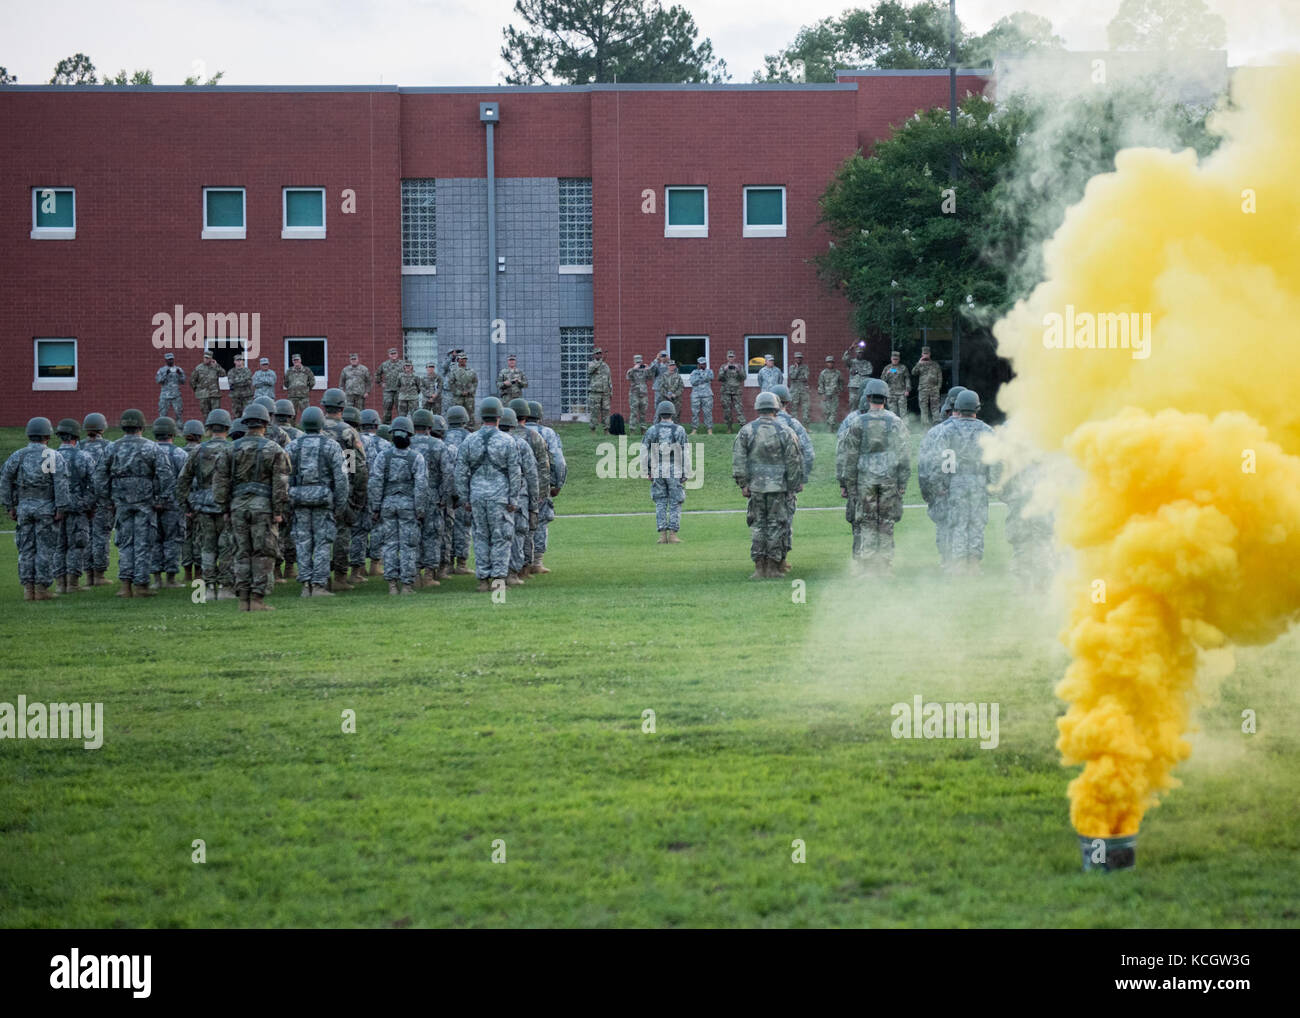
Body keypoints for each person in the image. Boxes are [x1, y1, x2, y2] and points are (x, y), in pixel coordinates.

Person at [215, 403, 290, 611]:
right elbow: (280, 484)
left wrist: (225, 508)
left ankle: (243, 599)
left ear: (245, 423)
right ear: (266, 423)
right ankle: (257, 599)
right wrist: (278, 511)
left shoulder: (231, 449)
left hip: (237, 507)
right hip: (264, 507)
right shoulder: (274, 449)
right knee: (263, 552)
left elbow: (220, 482)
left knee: (241, 552)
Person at [95, 409, 175, 598]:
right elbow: (165, 475)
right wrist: (161, 499)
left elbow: (99, 476)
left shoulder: (111, 447)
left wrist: (107, 499)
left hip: (121, 502)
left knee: (124, 542)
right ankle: (141, 585)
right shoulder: (152, 447)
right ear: (141, 426)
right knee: (143, 543)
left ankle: (125, 585)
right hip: (145, 502)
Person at [837, 378, 910, 572]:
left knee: (867, 523)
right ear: (886, 399)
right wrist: (902, 482)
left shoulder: (858, 422)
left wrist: (849, 485)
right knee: (886, 523)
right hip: (889, 479)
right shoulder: (896, 422)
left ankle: (868, 567)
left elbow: (849, 458)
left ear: (867, 397)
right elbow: (904, 455)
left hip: (865, 481)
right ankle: (884, 566)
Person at [732, 392, 803, 579]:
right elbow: (794, 461)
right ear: (776, 408)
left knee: (758, 526)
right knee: (776, 526)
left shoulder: (746, 431)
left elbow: (739, 460)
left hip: (756, 486)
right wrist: (794, 485)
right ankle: (773, 567)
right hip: (779, 487)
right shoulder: (786, 431)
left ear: (758, 408)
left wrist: (743, 484)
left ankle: (759, 568)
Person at [454, 397, 521, 592]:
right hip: (500, 496)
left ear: (481, 416)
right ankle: (498, 581)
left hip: (477, 495)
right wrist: (513, 498)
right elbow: (514, 472)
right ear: (499, 416)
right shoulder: (508, 440)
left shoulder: (469, 439)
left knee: (481, 537)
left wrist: (465, 497)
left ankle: (482, 580)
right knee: (501, 538)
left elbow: (460, 471)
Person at [2, 417, 71, 601]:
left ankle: (28, 589)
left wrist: (9, 505)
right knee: (45, 549)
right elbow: (60, 483)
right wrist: (61, 507)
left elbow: (5, 479)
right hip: (46, 507)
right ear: (47, 435)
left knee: (26, 548)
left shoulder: (18, 455)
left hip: (24, 507)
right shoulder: (53, 456)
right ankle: (42, 588)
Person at [285, 406, 348, 597]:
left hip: (299, 499)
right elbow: (342, 478)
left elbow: (285, 476)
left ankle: (306, 585)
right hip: (324, 500)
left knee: (303, 541)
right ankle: (319, 585)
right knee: (322, 542)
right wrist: (340, 504)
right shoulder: (332, 446)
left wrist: (288, 500)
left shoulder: (293, 446)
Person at [934, 389, 997, 573]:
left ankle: (959, 564)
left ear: (958, 407)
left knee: (958, 522)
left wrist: (941, 484)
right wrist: (992, 483)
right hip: (979, 482)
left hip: (956, 482)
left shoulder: (947, 430)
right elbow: (995, 460)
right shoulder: (987, 431)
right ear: (977, 407)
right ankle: (974, 564)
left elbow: (938, 460)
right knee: (976, 523)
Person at [177, 409, 236, 601]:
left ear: (209, 428)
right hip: (226, 506)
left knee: (207, 548)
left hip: (202, 507)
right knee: (227, 547)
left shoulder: (197, 450)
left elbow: (183, 481)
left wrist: (187, 506)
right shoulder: (233, 449)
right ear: (227, 428)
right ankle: (226, 588)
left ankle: (207, 589)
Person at [368, 415, 429, 595]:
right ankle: (407, 585)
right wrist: (420, 509)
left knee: (390, 545)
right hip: (409, 505)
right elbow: (421, 486)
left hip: (387, 504)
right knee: (408, 545)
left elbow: (375, 483)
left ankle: (392, 585)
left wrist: (376, 507)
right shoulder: (416, 458)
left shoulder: (382, 457)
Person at [320, 388, 368, 591]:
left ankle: (320, 579)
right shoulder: (347, 432)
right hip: (342, 488)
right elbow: (355, 465)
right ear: (342, 407)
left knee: (319, 536)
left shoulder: (315, 429)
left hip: (318, 488)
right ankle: (340, 577)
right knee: (342, 533)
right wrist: (358, 495)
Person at [918, 386, 966, 568]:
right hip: (965, 488)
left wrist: (927, 492)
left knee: (944, 526)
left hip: (941, 489)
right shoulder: (975, 430)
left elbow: (924, 465)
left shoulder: (935, 432)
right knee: (965, 524)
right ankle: (965, 562)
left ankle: (947, 561)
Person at [772, 385, 815, 573]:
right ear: (787, 402)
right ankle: (781, 560)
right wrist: (801, 478)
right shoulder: (793, 424)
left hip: (762, 481)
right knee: (784, 521)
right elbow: (809, 453)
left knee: (763, 521)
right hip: (787, 481)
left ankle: (764, 561)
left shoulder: (757, 424)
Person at [410, 409, 454, 588]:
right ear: (430, 425)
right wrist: (445, 496)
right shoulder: (438, 445)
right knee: (433, 536)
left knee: (411, 536)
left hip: (410, 497)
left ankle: (413, 574)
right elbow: (448, 474)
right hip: (434, 497)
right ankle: (429, 574)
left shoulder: (407, 444)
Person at [497, 407, 538, 586]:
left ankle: (492, 576)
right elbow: (531, 474)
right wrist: (534, 503)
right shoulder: (520, 444)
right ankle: (513, 574)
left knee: (496, 535)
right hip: (519, 497)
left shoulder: (487, 442)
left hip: (495, 496)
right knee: (517, 535)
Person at [508, 399, 549, 576]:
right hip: (524, 492)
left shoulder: (503, 437)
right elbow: (542, 467)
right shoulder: (533, 437)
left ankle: (502, 571)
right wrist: (542, 493)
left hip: (501, 493)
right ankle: (524, 567)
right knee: (525, 529)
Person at [54, 418, 96, 594]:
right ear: (76, 436)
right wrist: (90, 506)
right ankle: (73, 584)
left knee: (58, 546)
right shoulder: (83, 456)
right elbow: (94, 484)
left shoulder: (50, 456)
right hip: (78, 508)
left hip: (56, 510)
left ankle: (59, 584)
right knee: (76, 545)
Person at [150, 417, 190, 590]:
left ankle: (156, 578)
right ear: (172, 433)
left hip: (150, 504)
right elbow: (186, 481)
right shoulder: (180, 454)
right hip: (174, 505)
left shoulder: (148, 451)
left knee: (154, 540)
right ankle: (171, 578)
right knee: (173, 540)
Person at [526, 400, 565, 575]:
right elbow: (558, 460)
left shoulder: (513, 432)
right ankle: (536, 561)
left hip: (516, 486)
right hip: (541, 485)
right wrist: (557, 483)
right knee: (540, 522)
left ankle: (520, 562)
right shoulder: (547, 433)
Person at [643, 401, 688, 543]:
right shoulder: (679, 430)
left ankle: (662, 535)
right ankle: (673, 535)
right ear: (672, 413)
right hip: (674, 469)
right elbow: (685, 452)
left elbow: (644, 450)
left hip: (657, 469)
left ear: (659, 414)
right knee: (676, 501)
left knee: (660, 502)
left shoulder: (652, 430)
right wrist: (685, 472)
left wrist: (646, 470)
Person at [80, 412, 114, 587]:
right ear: (103, 427)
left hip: (84, 500)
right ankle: (99, 575)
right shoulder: (109, 447)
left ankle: (88, 575)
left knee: (86, 536)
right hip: (103, 500)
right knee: (101, 536)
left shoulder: (79, 447)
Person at [443, 404, 474, 575]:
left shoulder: (443, 437)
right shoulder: (470, 438)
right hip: (465, 487)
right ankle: (461, 564)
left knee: (447, 527)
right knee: (463, 526)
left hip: (446, 487)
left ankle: (446, 563)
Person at [179, 419, 206, 583]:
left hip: (186, 501)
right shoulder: (205, 452)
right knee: (201, 537)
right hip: (202, 501)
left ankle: (187, 572)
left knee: (186, 537)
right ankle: (199, 572)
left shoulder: (179, 452)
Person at [911, 346, 944, 425]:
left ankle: (936, 423)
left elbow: (940, 376)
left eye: (927, 353)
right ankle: (924, 425)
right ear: (922, 354)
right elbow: (913, 373)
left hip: (934, 389)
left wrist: (938, 387)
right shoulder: (920, 364)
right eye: (924, 353)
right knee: (923, 407)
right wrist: (919, 363)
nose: (925, 355)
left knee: (935, 407)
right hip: (923, 389)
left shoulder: (935, 364)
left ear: (930, 354)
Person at [190, 349, 226, 418]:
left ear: (211, 359)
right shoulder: (199, 368)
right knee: (205, 414)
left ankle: (215, 428)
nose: (206, 359)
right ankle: (207, 428)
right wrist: (197, 390)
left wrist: (216, 366)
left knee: (216, 414)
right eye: (205, 358)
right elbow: (192, 381)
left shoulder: (215, 367)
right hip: (203, 395)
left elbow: (223, 374)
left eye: (208, 358)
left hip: (214, 395)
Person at [447, 353, 479, 428]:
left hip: (469, 398)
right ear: (458, 360)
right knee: (458, 413)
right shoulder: (454, 371)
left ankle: (470, 429)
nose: (462, 360)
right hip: (458, 398)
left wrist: (469, 391)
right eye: (461, 359)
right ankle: (458, 428)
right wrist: (460, 392)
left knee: (470, 414)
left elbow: (475, 382)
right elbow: (451, 384)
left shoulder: (471, 371)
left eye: (464, 359)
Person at [717, 350, 746, 432]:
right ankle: (729, 427)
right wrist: (724, 370)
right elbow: (719, 378)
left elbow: (743, 378)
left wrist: (739, 371)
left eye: (732, 357)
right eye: (729, 357)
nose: (731, 358)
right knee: (727, 410)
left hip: (737, 391)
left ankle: (743, 426)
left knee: (739, 409)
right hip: (726, 391)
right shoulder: (723, 367)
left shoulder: (739, 366)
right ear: (727, 357)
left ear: (735, 357)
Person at [375, 347, 405, 423]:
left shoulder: (403, 364)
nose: (393, 355)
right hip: (388, 391)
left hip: (399, 390)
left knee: (401, 410)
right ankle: (386, 426)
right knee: (387, 410)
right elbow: (377, 374)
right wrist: (381, 383)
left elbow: (410, 373)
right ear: (389, 355)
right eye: (392, 354)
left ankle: (401, 425)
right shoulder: (384, 364)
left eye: (395, 353)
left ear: (397, 354)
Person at [586, 347, 612, 432]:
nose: (599, 355)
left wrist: (611, 391)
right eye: (597, 353)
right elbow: (590, 371)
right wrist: (600, 362)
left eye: (600, 353)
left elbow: (609, 379)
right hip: (595, 393)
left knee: (606, 411)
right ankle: (593, 429)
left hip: (605, 393)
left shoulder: (605, 366)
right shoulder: (591, 364)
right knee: (594, 412)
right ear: (594, 355)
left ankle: (606, 430)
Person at [687, 356, 714, 435]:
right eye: (701, 364)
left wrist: (700, 377)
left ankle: (709, 430)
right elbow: (693, 382)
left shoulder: (709, 371)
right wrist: (702, 378)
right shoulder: (694, 372)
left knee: (708, 413)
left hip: (707, 395)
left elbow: (710, 377)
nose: (702, 365)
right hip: (696, 395)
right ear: (698, 364)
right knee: (695, 413)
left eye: (704, 364)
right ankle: (694, 429)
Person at [626, 354, 651, 433]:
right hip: (634, 394)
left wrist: (648, 369)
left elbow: (650, 378)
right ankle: (632, 430)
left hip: (643, 394)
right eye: (637, 362)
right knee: (634, 413)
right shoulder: (631, 371)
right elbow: (628, 377)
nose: (639, 364)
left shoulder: (644, 370)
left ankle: (643, 429)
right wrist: (634, 369)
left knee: (643, 413)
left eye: (640, 362)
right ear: (634, 362)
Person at [156, 353, 186, 419]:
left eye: (172, 359)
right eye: (169, 359)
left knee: (178, 414)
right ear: (166, 360)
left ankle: (179, 428)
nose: (171, 361)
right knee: (162, 414)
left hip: (176, 395)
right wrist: (166, 374)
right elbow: (159, 381)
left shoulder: (179, 369)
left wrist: (180, 374)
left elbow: (183, 381)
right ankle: (162, 428)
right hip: (165, 396)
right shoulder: (161, 370)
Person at [843, 343, 873, 409]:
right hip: (854, 387)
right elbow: (844, 359)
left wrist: (857, 372)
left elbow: (870, 371)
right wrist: (850, 349)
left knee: (864, 404)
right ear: (856, 353)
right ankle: (853, 418)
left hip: (864, 387)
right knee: (853, 404)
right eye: (858, 353)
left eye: (861, 353)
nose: (860, 354)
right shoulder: (851, 362)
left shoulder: (867, 363)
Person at [881, 350, 910, 419]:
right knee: (892, 413)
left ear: (899, 359)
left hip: (901, 393)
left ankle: (905, 427)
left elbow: (907, 379)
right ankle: (893, 427)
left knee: (903, 412)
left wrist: (907, 390)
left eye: (896, 359)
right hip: (891, 393)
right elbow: (882, 380)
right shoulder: (887, 368)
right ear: (891, 359)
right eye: (894, 359)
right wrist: (887, 374)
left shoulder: (903, 367)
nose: (895, 360)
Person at [817, 356, 844, 431]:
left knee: (834, 411)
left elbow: (841, 382)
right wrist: (822, 394)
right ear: (826, 363)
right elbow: (820, 384)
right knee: (826, 411)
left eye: (831, 362)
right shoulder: (823, 373)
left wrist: (839, 390)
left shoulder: (838, 373)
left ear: (833, 363)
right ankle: (828, 424)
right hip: (826, 395)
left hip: (834, 395)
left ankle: (831, 427)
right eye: (828, 362)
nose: (830, 364)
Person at [787, 351, 811, 424]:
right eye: (797, 358)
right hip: (794, 391)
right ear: (795, 359)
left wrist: (797, 378)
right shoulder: (792, 367)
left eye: (800, 358)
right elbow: (792, 377)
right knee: (794, 409)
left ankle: (806, 426)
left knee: (806, 408)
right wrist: (797, 369)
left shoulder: (805, 367)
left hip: (803, 390)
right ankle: (794, 425)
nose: (799, 359)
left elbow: (806, 378)